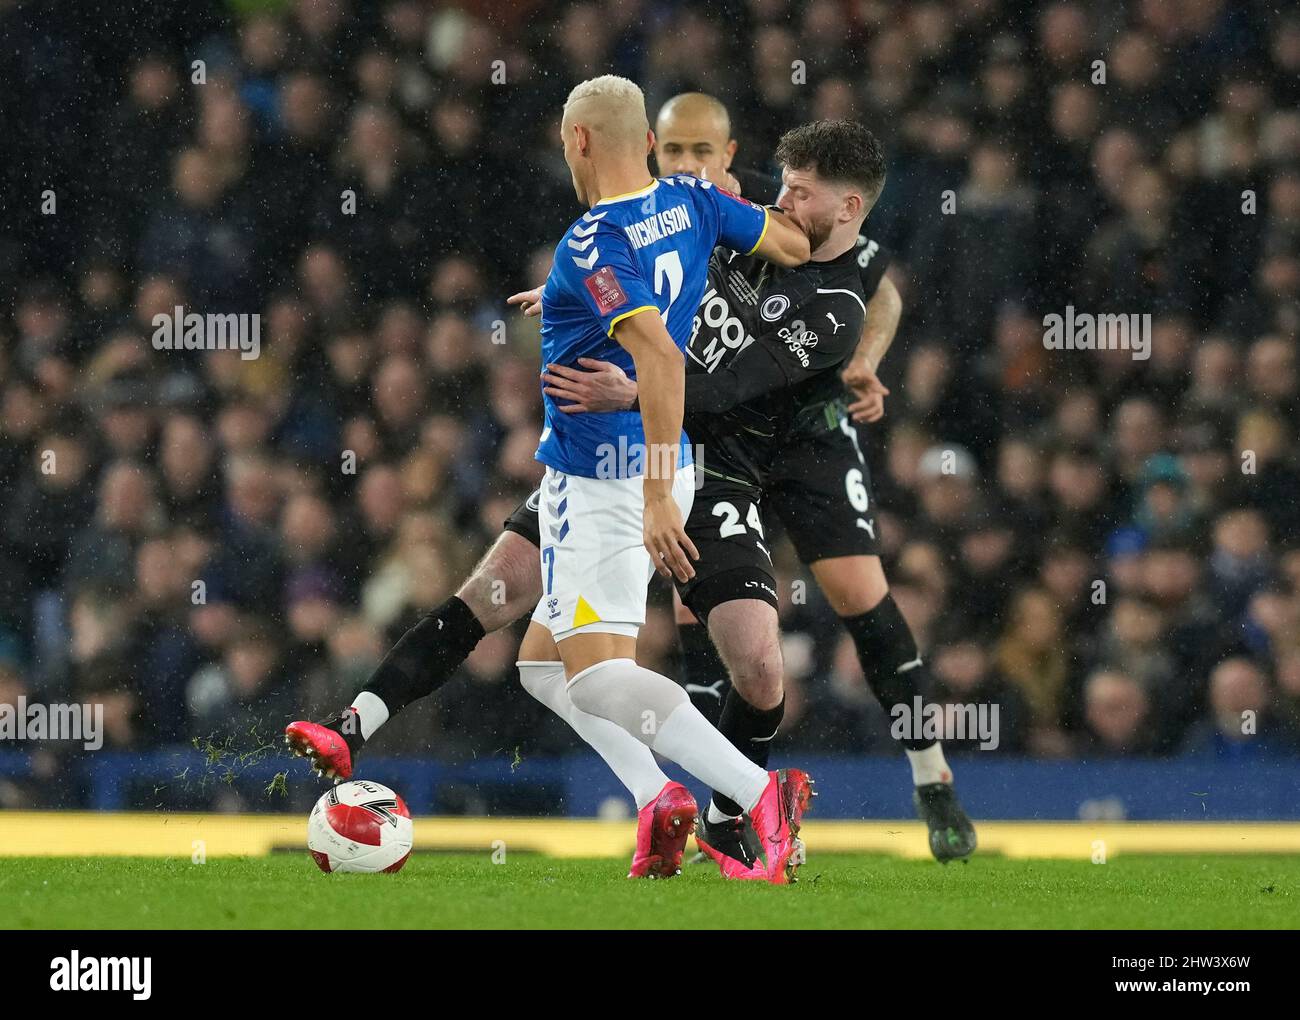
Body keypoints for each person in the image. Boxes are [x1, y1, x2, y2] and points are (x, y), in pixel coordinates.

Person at [289, 76, 814, 883]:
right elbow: (790, 244)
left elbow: (662, 355)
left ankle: (753, 794)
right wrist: (583, 294)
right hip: (646, 476)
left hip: (605, 480)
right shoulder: (691, 201)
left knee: (600, 676)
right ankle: (656, 798)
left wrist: (649, 494)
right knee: (543, 665)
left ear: (577, 142)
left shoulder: (592, 241)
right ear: (645, 140)